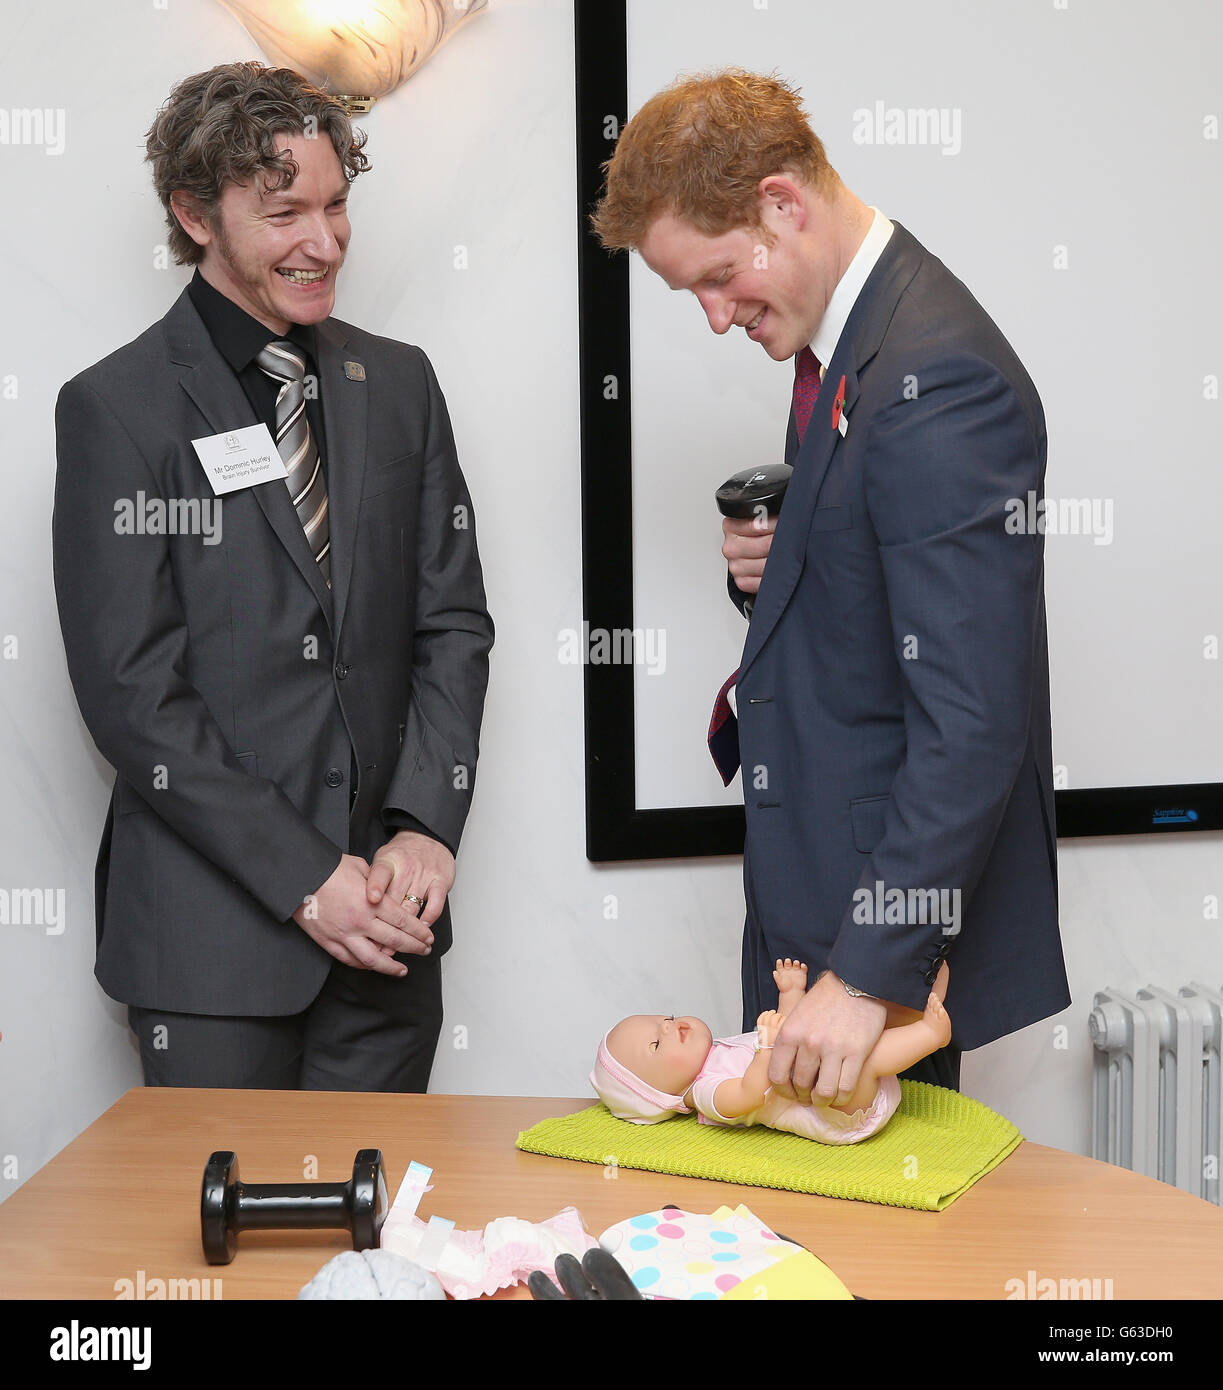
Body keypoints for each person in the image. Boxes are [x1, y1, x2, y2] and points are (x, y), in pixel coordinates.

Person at [590, 68, 1069, 1107]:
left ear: (780, 205)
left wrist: (864, 974)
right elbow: (874, 604)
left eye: (715, 278)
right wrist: (780, 576)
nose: (714, 319)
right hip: (820, 896)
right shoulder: (847, 344)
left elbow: (972, 719)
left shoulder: (937, 382)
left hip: (882, 941)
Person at [52, 62, 493, 1090]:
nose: (324, 241)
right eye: (284, 211)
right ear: (194, 213)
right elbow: (130, 693)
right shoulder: (115, 409)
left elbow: (452, 626)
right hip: (210, 953)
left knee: (378, 1246)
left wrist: (424, 828)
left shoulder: (399, 383)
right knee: (223, 1249)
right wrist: (305, 879)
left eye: (337, 204)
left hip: (389, 935)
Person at [590, 959, 951, 1145]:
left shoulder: (721, 1051)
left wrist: (791, 995)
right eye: (657, 1043)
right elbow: (748, 1095)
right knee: (864, 1060)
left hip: (827, 1083)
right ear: (658, 1095)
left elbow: (792, 1040)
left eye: (664, 1020)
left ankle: (916, 1005)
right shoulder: (704, 1093)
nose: (669, 1027)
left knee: (855, 1030)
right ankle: (929, 1034)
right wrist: (764, 1047)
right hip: (835, 1112)